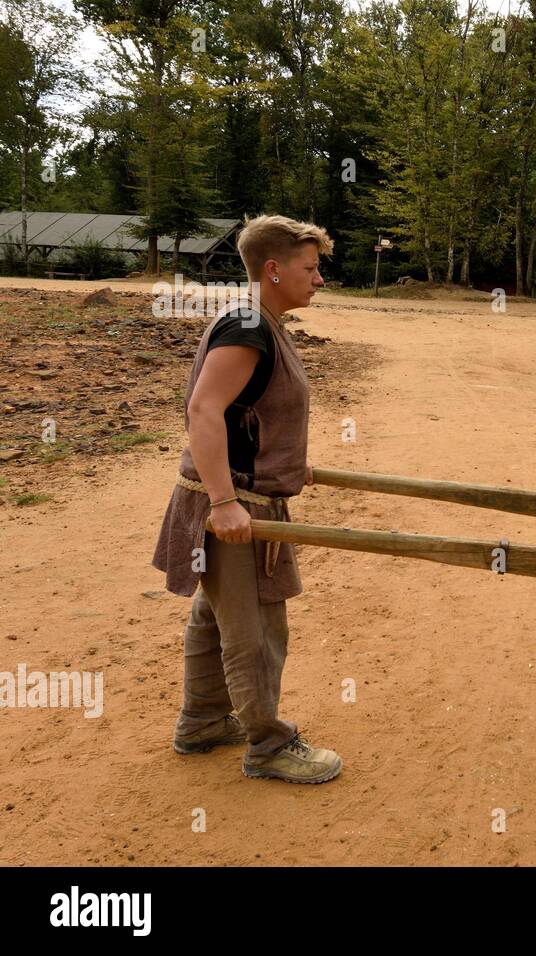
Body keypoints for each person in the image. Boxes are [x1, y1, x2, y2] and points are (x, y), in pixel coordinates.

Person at [151, 214, 343, 782]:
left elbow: (248, 413)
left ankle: (204, 720)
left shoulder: (261, 322)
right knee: (256, 625)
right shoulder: (248, 327)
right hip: (234, 502)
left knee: (215, 613)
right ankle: (268, 744)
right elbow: (204, 410)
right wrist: (223, 502)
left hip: (238, 491)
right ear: (274, 270)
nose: (319, 280)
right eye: (310, 269)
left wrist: (287, 462)